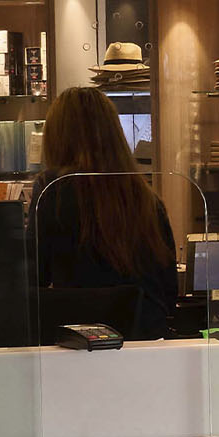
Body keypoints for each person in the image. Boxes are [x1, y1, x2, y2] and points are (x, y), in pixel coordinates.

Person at [34, 85, 180, 340]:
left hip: (81, 342)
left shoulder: (53, 190)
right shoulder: (146, 198)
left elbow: (35, 273)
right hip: (147, 339)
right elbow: (168, 289)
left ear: (56, 137)